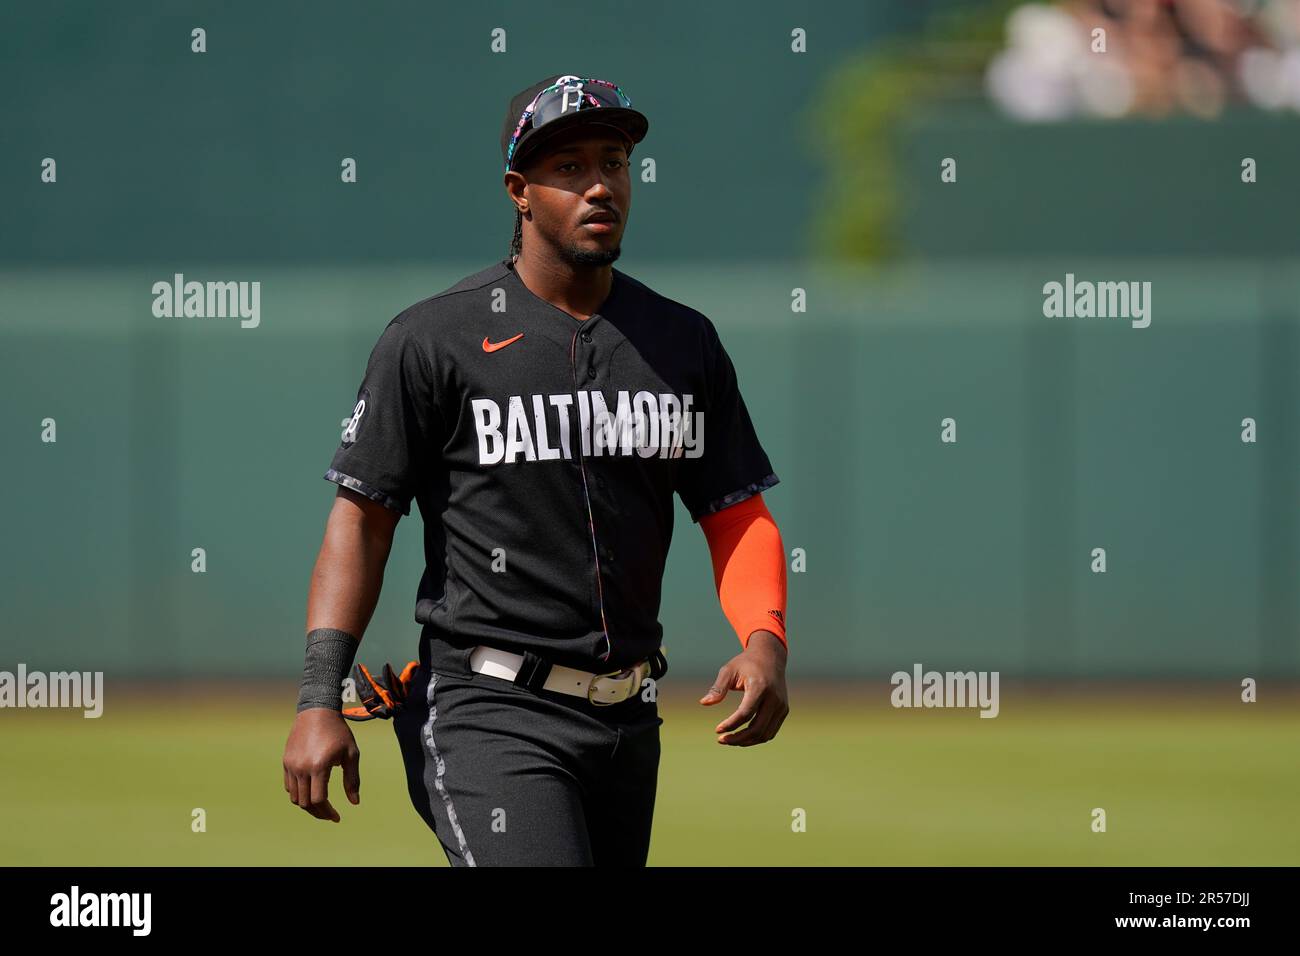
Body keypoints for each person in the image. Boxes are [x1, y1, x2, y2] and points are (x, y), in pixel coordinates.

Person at [282, 73, 790, 866]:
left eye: (615, 161)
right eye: (570, 168)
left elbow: (734, 513)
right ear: (520, 190)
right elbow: (362, 521)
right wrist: (320, 697)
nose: (601, 184)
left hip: (629, 719)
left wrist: (764, 639)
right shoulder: (434, 339)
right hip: (488, 710)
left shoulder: (681, 342)